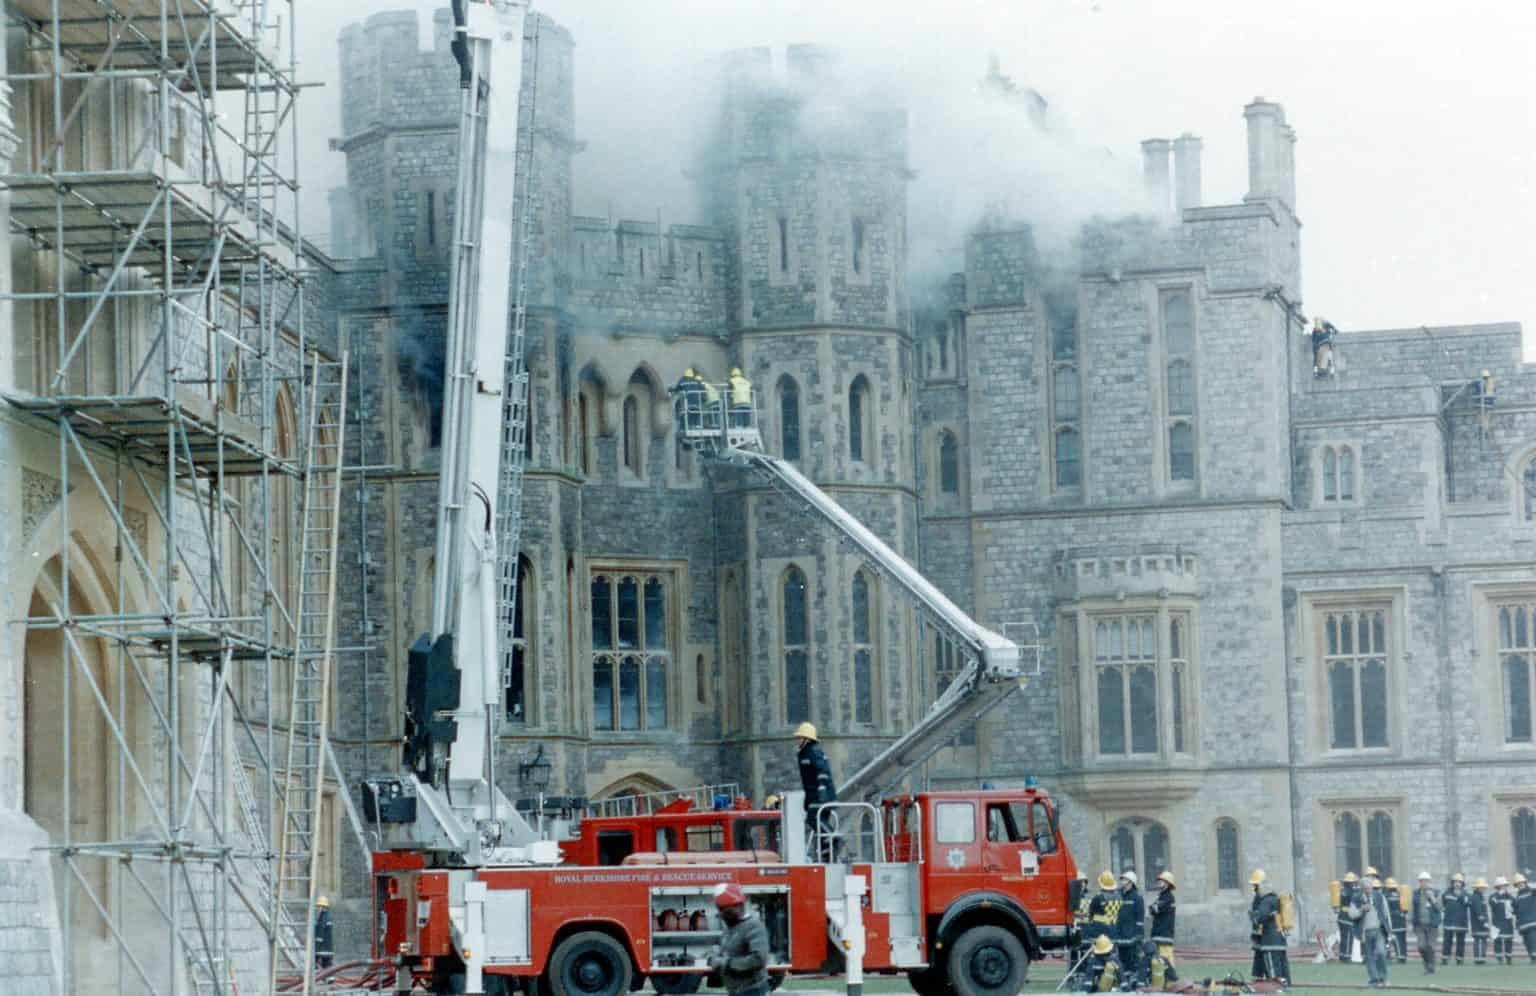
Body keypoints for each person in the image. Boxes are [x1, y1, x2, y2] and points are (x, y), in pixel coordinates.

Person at [709, 882, 771, 996]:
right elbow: (725, 952)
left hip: (754, 991)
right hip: (737, 991)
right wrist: (715, 958)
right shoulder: (730, 928)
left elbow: (759, 959)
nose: (721, 915)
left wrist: (726, 963)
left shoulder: (753, 926)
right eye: (720, 910)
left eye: (725, 911)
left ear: (738, 906)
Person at [793, 723, 838, 858]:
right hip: (816, 796)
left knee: (813, 819)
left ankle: (833, 838)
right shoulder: (805, 753)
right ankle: (827, 854)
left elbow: (822, 771)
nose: (797, 740)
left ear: (807, 739)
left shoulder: (812, 752)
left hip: (821, 796)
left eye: (800, 737)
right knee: (819, 826)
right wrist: (808, 800)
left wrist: (822, 790)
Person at [1347, 873, 1394, 988]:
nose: (1368, 890)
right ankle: (1374, 980)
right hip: (1365, 932)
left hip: (1379, 930)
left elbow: (1386, 913)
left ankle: (1383, 978)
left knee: (1381, 952)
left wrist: (1390, 930)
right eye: (1366, 888)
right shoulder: (1356, 898)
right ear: (1362, 888)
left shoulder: (1379, 896)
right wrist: (1361, 910)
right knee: (1369, 957)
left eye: (1370, 888)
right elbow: (1351, 915)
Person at [1249, 869, 1290, 985]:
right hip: (1278, 939)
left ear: (1261, 886)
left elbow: (1261, 917)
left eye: (1256, 886)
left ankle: (1276, 986)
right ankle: (1284, 984)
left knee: (1273, 968)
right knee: (1281, 965)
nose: (1254, 889)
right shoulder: (1274, 899)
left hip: (1270, 940)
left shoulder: (1266, 901)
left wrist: (1254, 917)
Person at [1114, 870, 1145, 983]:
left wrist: (1139, 935)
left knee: (1133, 960)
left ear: (1131, 882)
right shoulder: (1118, 896)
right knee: (1122, 959)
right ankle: (1124, 980)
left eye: (1125, 879)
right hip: (1120, 934)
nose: (1122, 881)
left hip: (1132, 936)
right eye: (1122, 879)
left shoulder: (1137, 897)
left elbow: (1140, 919)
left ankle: (1134, 980)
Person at [1149, 870, 1178, 980]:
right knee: (1159, 959)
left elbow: (1155, 909)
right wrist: (1153, 908)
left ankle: (1172, 979)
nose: (1159, 882)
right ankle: (1164, 980)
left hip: (1164, 934)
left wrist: (1153, 907)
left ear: (1167, 883)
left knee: (1167, 958)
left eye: (1161, 880)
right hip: (1159, 933)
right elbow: (1152, 909)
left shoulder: (1168, 897)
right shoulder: (1161, 897)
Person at [1412, 871, 1441, 974]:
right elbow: (1413, 909)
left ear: (1429, 882)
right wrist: (1412, 922)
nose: (1424, 883)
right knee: (1421, 946)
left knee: (1430, 946)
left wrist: (1432, 898)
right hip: (1419, 925)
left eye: (1426, 881)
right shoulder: (1415, 893)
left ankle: (1431, 966)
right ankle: (1427, 962)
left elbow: (1439, 908)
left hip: (1432, 925)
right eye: (1421, 881)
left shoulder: (1436, 893)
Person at [1442, 872, 1470, 964]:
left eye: (1459, 882)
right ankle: (1445, 958)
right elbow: (1444, 903)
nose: (1457, 884)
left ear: (1462, 883)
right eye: (1455, 882)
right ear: (1452, 882)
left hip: (1461, 922)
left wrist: (1460, 896)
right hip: (1449, 921)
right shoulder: (1446, 893)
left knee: (1460, 942)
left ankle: (1459, 958)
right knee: (1447, 941)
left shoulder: (1466, 894)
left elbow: (1467, 903)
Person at [1382, 877, 1409, 964]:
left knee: (1388, 941)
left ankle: (1387, 956)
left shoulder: (1385, 896)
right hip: (1401, 922)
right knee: (1401, 941)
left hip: (1391, 923)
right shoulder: (1400, 894)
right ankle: (1402, 957)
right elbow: (1405, 909)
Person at [1491, 876, 1516, 966]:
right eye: (1502, 885)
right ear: (1498, 886)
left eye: (1505, 885)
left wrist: (1513, 909)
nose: (1504, 887)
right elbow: (1492, 903)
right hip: (1497, 922)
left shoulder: (1509, 897)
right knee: (1497, 941)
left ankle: (1508, 958)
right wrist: (1499, 895)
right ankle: (1499, 959)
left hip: (1508, 923)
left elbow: (1515, 906)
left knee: (1509, 940)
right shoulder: (1493, 896)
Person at [1337, 870, 1361, 961]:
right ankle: (1347, 956)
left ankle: (1342, 955)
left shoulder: (1342, 890)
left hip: (1341, 916)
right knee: (1348, 938)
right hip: (1347, 917)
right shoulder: (1352, 892)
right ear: (1351, 883)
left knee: (1343, 938)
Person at [1515, 872, 1536, 964]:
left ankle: (1534, 957)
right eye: (1518, 884)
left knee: (1533, 940)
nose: (1520, 885)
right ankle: (1532, 957)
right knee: (1527, 942)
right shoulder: (1517, 897)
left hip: (1532, 923)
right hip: (1523, 924)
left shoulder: (1532, 891)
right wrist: (1517, 924)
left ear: (1525, 883)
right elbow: (1516, 912)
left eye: (1521, 883)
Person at [1470, 877, 1491, 965]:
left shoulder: (1480, 897)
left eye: (1483, 887)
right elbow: (1478, 912)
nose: (1483, 889)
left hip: (1481, 924)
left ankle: (1482, 958)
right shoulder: (1475, 897)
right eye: (1481, 887)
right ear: (1477, 888)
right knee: (1479, 941)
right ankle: (1479, 959)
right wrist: (1484, 922)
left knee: (1483, 941)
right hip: (1478, 925)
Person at [314, 895, 334, 970]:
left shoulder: (323, 918)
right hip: (328, 948)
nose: (317, 909)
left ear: (322, 907)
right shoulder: (327, 916)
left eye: (318, 907)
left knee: (314, 964)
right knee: (327, 967)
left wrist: (316, 947)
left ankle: (317, 974)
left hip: (322, 948)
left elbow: (320, 934)